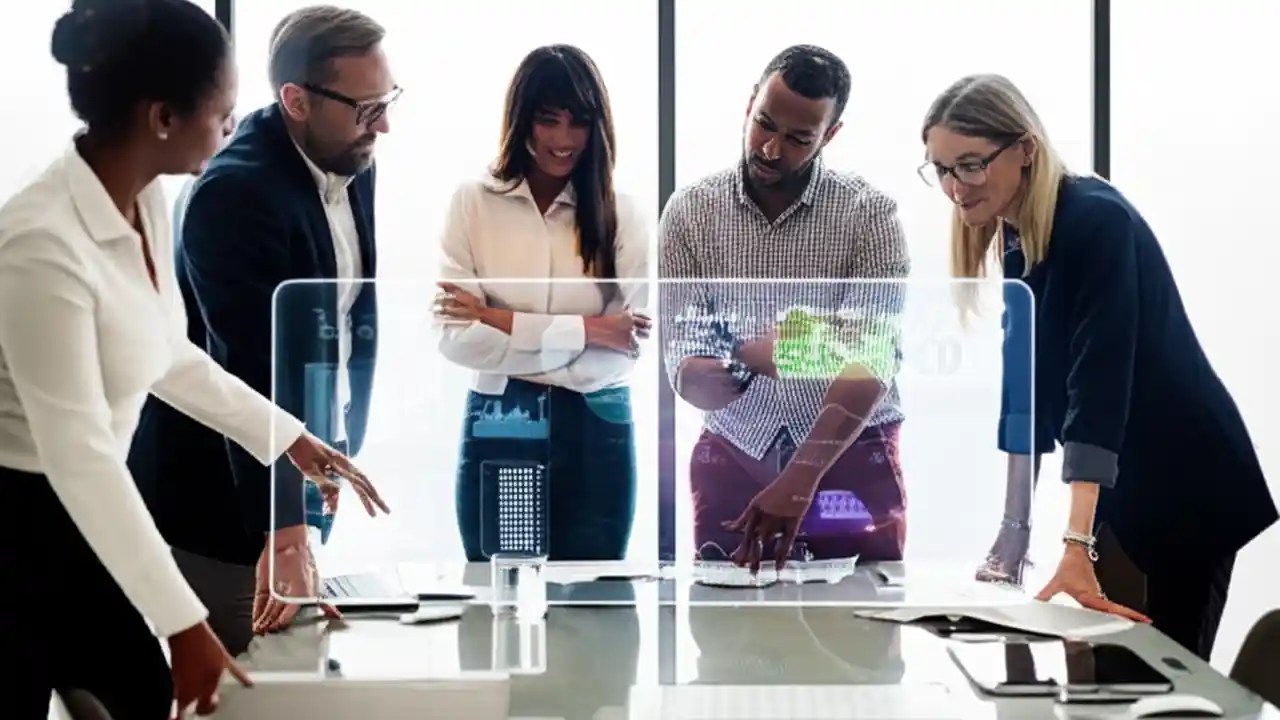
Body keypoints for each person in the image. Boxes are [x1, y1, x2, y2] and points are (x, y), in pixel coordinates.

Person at [0, 1, 387, 718]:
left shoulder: (143, 200)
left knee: (141, 700)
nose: (235, 129)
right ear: (162, 119)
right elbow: (76, 452)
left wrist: (288, 437)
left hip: (80, 519)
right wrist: (184, 621)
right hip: (23, 518)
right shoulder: (39, 244)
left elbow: (159, 351)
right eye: (224, 110)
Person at [918, 73, 1278, 660]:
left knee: (1160, 681)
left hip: (1188, 480)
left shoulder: (1094, 219)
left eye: (970, 164)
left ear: (1025, 149)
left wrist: (1075, 541)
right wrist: (1014, 534)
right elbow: (1025, 393)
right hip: (1123, 481)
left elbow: (1099, 384)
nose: (956, 187)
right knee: (1107, 673)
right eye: (941, 169)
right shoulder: (1016, 234)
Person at [128, 4, 398, 651]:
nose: (383, 125)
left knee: (294, 667)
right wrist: (283, 527)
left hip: (296, 471)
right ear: (296, 100)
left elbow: (346, 311)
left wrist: (331, 446)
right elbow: (247, 364)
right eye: (366, 109)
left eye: (387, 101)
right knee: (240, 684)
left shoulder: (353, 159)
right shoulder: (232, 195)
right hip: (213, 499)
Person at [659, 44, 910, 572]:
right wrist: (748, 358)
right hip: (732, 452)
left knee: (859, 638)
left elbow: (870, 360)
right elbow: (681, 361)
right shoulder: (689, 212)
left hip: (851, 452)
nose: (772, 149)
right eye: (763, 124)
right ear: (750, 103)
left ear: (830, 135)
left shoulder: (871, 216)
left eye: (799, 139)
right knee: (728, 642)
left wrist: (800, 478)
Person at [434, 44, 650, 561]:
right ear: (521, 120)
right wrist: (589, 330)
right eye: (547, 120)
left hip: (598, 423)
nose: (563, 139)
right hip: (501, 416)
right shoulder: (473, 201)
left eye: (578, 122)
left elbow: (633, 340)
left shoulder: (623, 212)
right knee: (499, 600)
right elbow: (457, 338)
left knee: (597, 609)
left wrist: (498, 319)